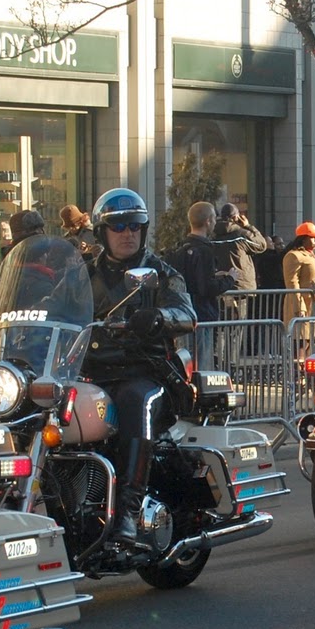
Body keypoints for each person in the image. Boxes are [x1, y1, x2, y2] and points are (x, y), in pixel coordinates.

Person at [83, 187, 197, 548]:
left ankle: (128, 513)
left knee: (136, 401)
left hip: (145, 371)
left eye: (135, 225)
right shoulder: (82, 275)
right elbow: (53, 306)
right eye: (118, 226)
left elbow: (187, 314)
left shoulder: (161, 273)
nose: (127, 233)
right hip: (90, 371)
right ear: (103, 232)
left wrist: (160, 316)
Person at [282, 222, 315, 326]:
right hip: (301, 307)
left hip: (312, 304)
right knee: (300, 339)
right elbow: (292, 283)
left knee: (311, 339)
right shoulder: (294, 256)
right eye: (312, 237)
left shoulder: (311, 255)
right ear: (303, 239)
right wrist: (299, 307)